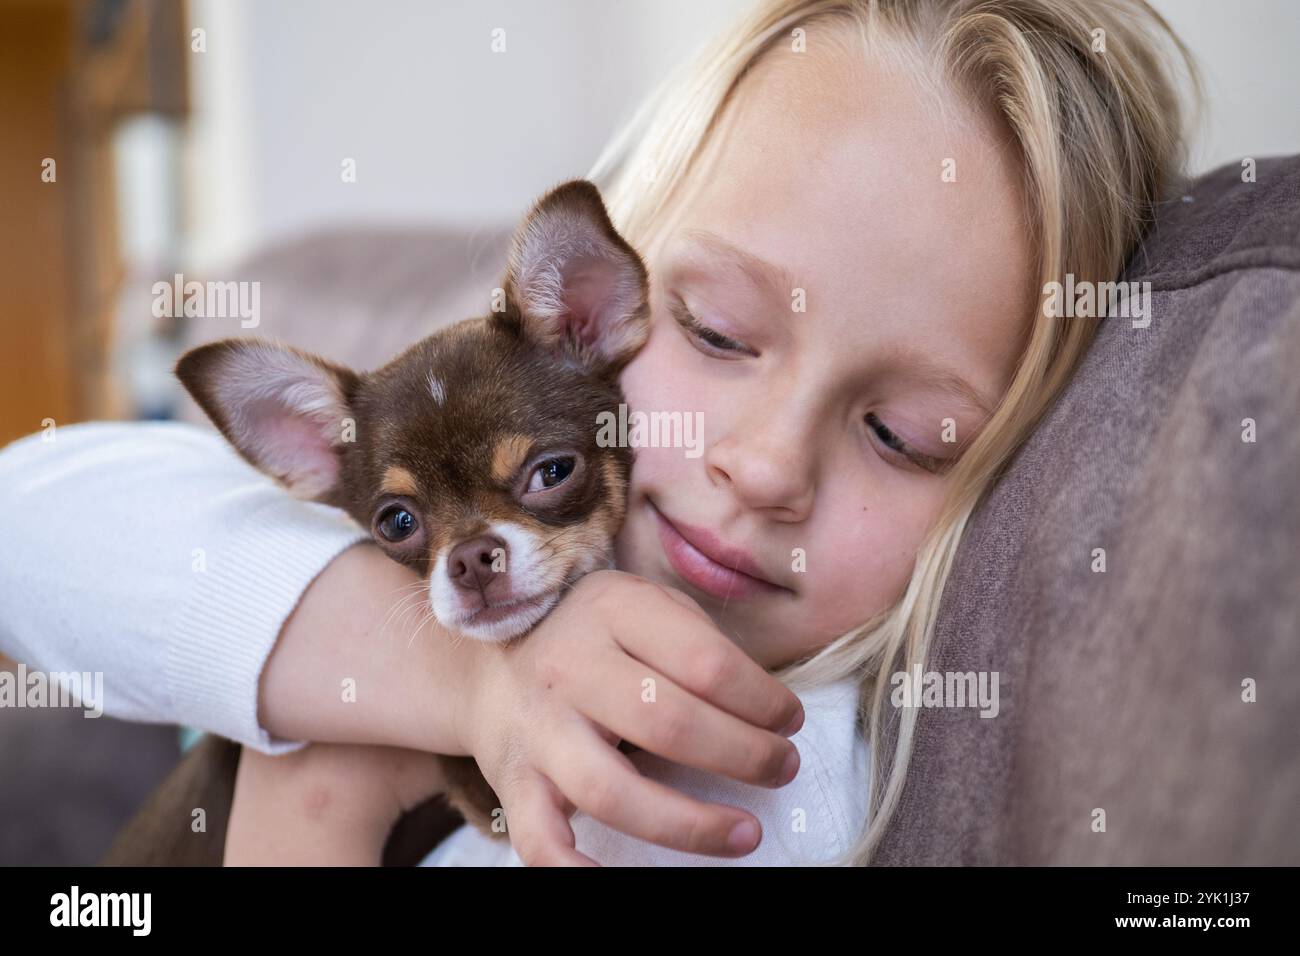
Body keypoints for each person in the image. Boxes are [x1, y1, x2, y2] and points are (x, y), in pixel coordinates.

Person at [0, 0, 1195, 866]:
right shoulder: (464, 438)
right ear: (602, 304)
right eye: (718, 332)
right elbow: (29, 514)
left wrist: (322, 775)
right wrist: (433, 678)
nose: (764, 464)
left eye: (904, 433)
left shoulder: (800, 776)